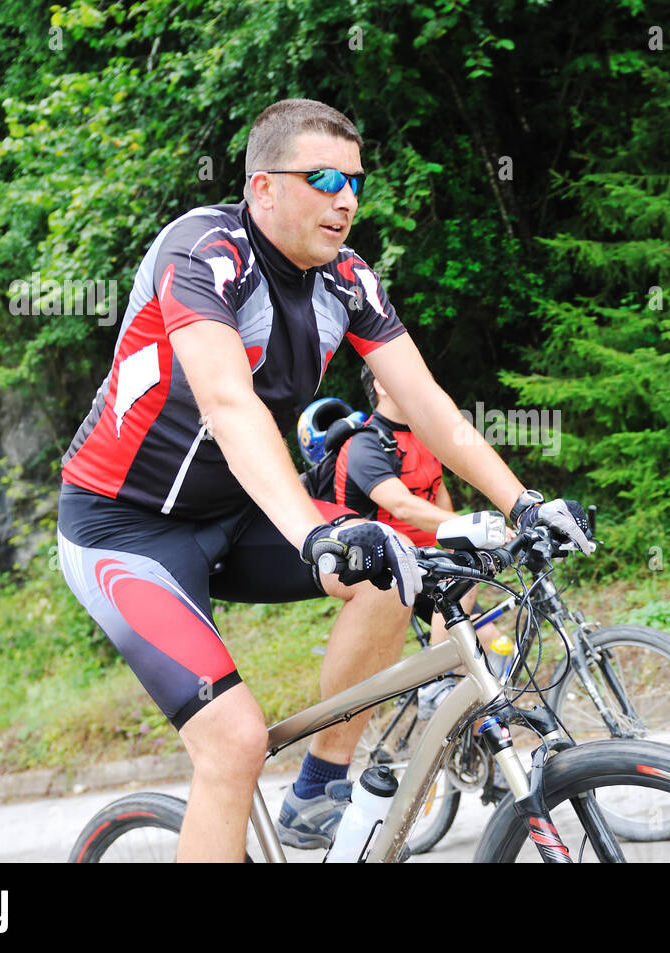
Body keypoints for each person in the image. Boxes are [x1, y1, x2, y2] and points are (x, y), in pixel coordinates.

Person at [55, 98, 592, 862]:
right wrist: (316, 532)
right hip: (125, 527)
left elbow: (434, 409)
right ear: (264, 188)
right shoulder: (203, 252)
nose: (346, 198)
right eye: (326, 177)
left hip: (238, 509)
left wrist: (525, 503)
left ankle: (320, 783)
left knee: (397, 560)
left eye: (356, 182)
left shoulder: (348, 281)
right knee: (234, 742)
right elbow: (228, 405)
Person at [302, 364, 509, 717]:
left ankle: (480, 750)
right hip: (383, 567)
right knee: (461, 578)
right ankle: (433, 683)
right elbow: (400, 504)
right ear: (381, 384)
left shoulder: (422, 436)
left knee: (495, 649)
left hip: (427, 560)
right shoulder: (365, 443)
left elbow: (438, 493)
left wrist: (459, 537)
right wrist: (474, 525)